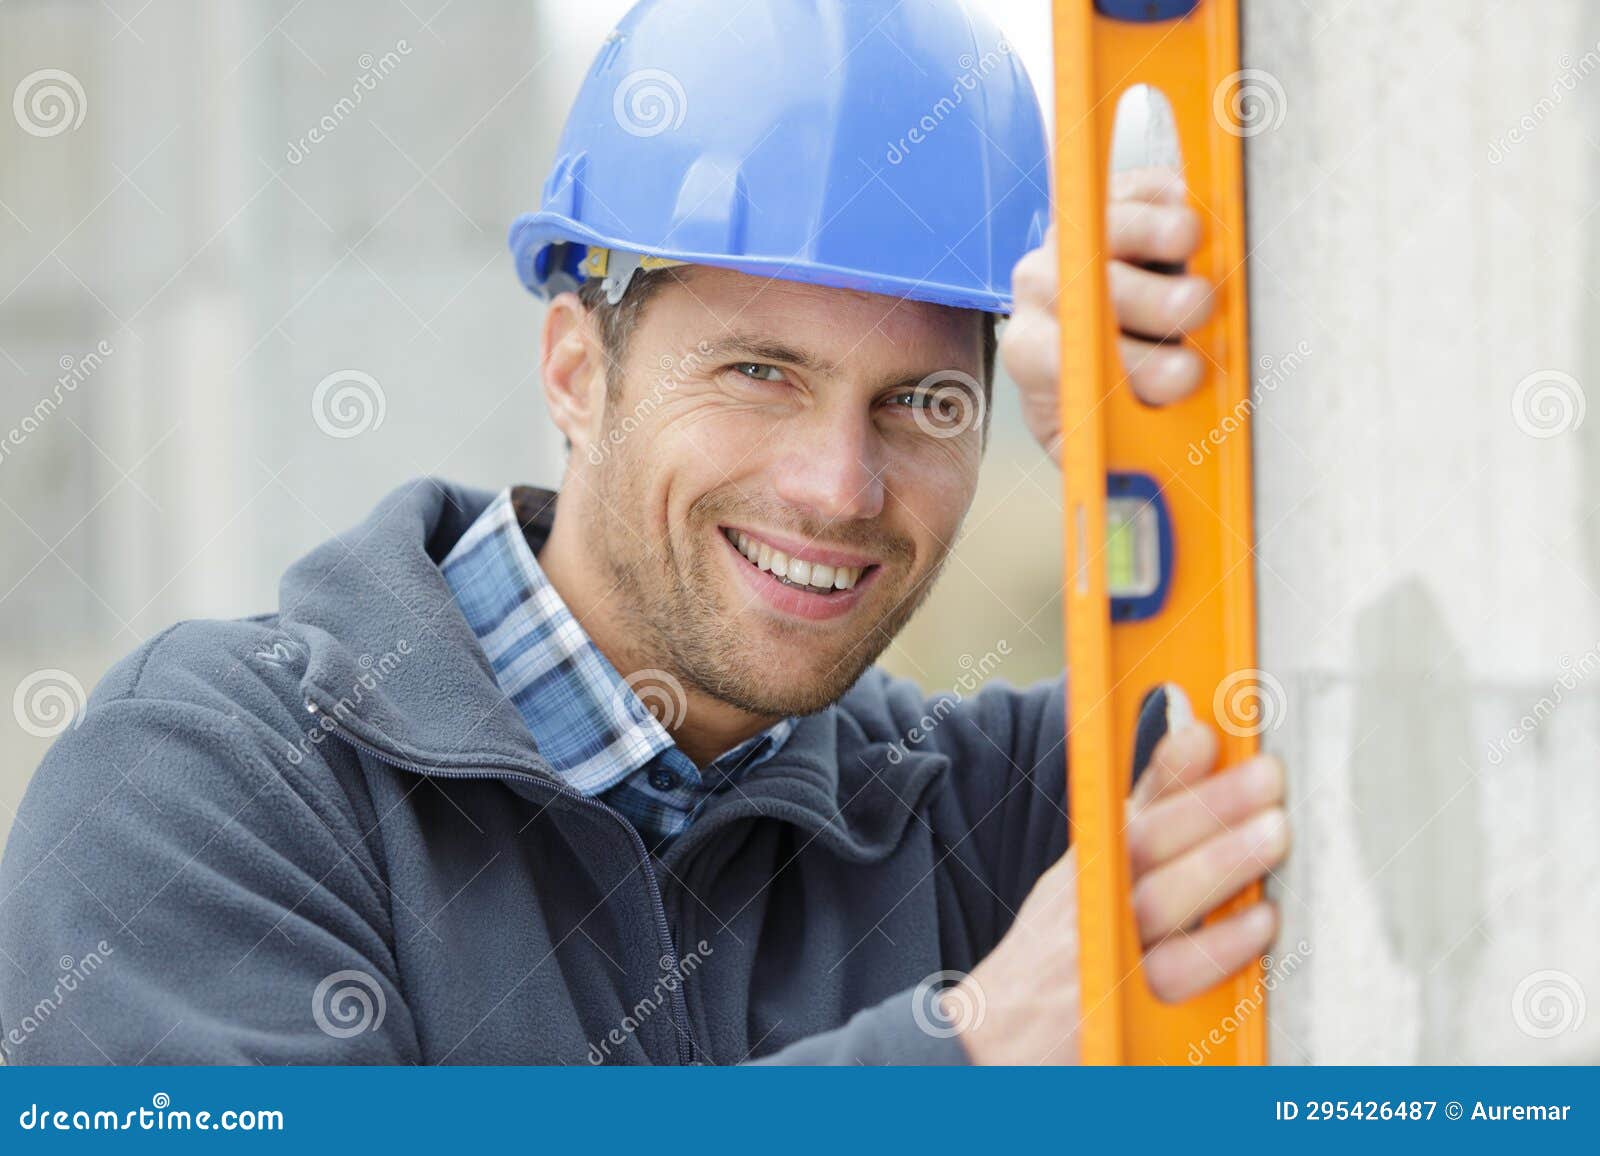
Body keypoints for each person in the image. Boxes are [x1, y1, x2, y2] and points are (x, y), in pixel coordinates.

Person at [0, 0, 1288, 1065]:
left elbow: (1339, 698)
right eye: (757, 373)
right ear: (574, 367)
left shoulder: (968, 810)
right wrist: (968, 1050)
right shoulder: (208, 782)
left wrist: (1139, 457)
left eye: (922, 403)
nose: (840, 488)